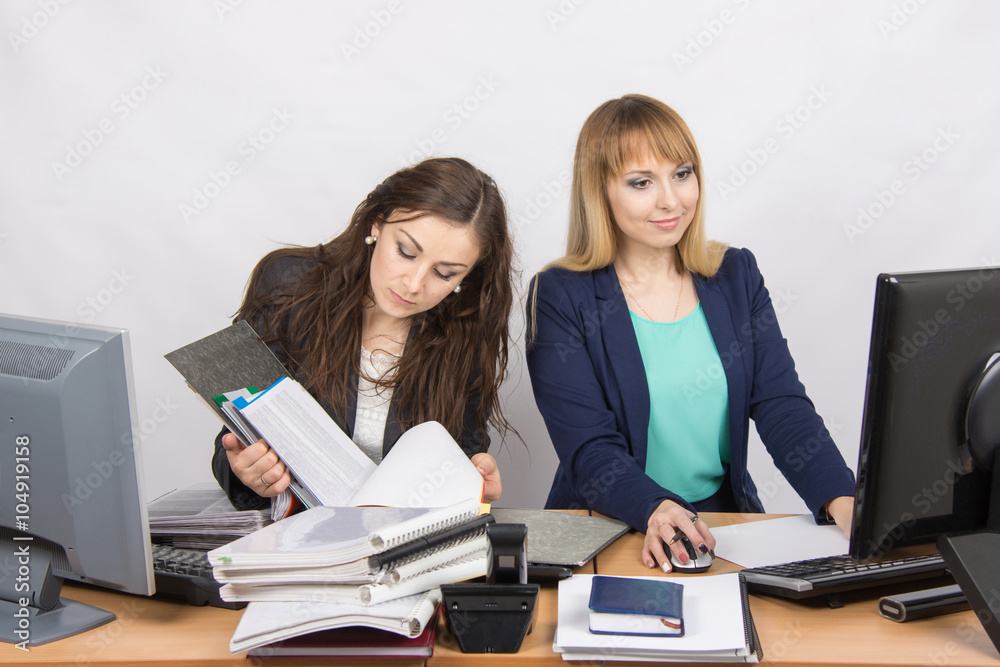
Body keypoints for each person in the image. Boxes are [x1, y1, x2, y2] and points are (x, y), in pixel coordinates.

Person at [526, 94, 856, 572]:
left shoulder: (735, 274)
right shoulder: (560, 294)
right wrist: (657, 508)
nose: (671, 199)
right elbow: (590, 449)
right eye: (641, 182)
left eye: (682, 174)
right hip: (608, 526)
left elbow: (781, 404)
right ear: (599, 192)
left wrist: (842, 498)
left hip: (720, 524)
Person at [213, 157, 515, 510]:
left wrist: (472, 482)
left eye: (445, 273)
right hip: (295, 534)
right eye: (406, 252)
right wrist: (247, 472)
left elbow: (460, 459)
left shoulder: (466, 331)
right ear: (377, 223)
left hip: (400, 540)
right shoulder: (286, 284)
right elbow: (230, 445)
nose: (414, 284)